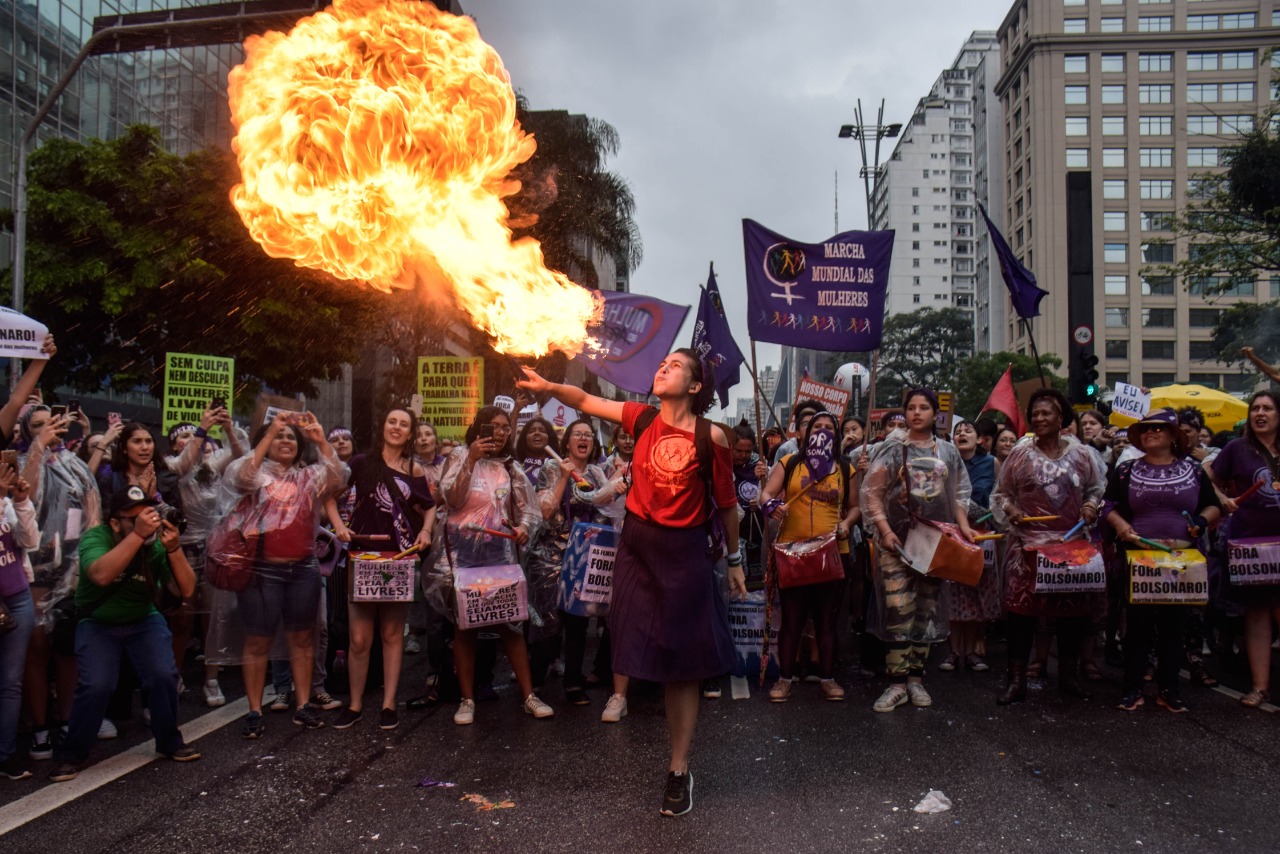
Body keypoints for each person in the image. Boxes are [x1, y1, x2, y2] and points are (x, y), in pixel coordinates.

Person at [517, 349, 746, 818]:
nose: (663, 368)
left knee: (682, 665)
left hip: (685, 550)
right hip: (638, 546)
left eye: (675, 365)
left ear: (696, 386)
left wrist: (737, 559)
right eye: (661, 363)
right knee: (634, 641)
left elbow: (727, 505)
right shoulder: (641, 418)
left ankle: (679, 769)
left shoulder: (713, 436)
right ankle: (621, 697)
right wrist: (549, 388)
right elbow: (584, 397)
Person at [49, 486, 200, 782]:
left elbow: (187, 589)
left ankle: (169, 741)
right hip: (98, 622)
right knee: (96, 685)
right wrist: (137, 536)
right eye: (134, 518)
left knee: (162, 675)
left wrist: (173, 549)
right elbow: (101, 575)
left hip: (143, 619)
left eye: (148, 514)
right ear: (115, 523)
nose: (146, 522)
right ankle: (72, 753)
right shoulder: (97, 538)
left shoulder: (154, 545)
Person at [225, 413, 348, 738]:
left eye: (291, 437)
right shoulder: (256, 475)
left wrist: (321, 439)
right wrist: (268, 434)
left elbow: (339, 477)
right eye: (278, 436)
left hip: (302, 570)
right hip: (261, 571)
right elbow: (240, 476)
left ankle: (303, 705)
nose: (284, 441)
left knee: (303, 637)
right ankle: (253, 710)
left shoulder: (309, 476)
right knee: (258, 640)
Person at [430, 406, 549, 725]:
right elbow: (450, 499)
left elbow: (531, 510)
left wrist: (524, 527)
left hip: (500, 554)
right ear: (477, 428)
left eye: (503, 428)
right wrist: (469, 458)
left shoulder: (510, 467)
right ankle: (466, 700)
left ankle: (528, 696)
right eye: (492, 426)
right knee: (464, 627)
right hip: (463, 554)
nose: (498, 433)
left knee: (510, 626)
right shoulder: (457, 455)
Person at [860, 389, 974, 712]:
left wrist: (962, 524)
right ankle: (896, 684)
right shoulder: (893, 449)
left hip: (935, 544)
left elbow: (961, 492)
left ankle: (916, 681)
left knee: (924, 612)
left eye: (924, 407)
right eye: (911, 407)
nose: (917, 413)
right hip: (896, 541)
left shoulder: (949, 452)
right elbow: (872, 494)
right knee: (898, 611)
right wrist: (883, 530)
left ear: (935, 414)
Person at [990, 388, 1105, 705]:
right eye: (1035, 413)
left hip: (1070, 548)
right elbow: (1002, 495)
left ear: (1061, 418)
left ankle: (1069, 676)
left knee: (1072, 616)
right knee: (1021, 616)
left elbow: (1095, 489)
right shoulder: (1021, 454)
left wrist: (1091, 507)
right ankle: (1016, 680)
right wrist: (1012, 512)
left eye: (1046, 413)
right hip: (1027, 547)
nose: (1039, 418)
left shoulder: (1082, 455)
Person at [1105, 408, 1221, 713]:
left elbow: (1213, 506)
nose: (1150, 434)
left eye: (1158, 429)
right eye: (1145, 430)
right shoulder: (1126, 470)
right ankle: (1132, 689)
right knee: (1138, 627)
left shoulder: (1194, 470)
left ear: (1173, 436)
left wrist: (1200, 521)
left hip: (1181, 558)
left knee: (1174, 627)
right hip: (1140, 557)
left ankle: (1170, 690)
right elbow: (1108, 505)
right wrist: (1121, 526)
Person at [331, 408, 434, 732]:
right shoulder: (361, 463)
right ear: (383, 426)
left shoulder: (413, 467)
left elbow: (429, 506)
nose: (397, 427)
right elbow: (329, 496)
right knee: (359, 639)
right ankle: (355, 704)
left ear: (410, 433)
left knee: (392, 634)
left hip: (398, 557)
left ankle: (389, 704)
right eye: (392, 421)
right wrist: (339, 527)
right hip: (363, 556)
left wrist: (426, 532)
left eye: (404, 424)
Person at [18, 405, 101, 759]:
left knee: (67, 648)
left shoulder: (77, 465)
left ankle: (67, 720)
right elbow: (27, 497)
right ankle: (40, 727)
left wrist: (90, 560)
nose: (46, 430)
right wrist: (38, 448)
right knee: (36, 649)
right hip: (34, 568)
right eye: (36, 425)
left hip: (72, 567)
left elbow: (93, 511)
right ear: (25, 431)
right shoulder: (19, 463)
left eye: (50, 423)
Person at [759, 411, 857, 702]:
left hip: (832, 553)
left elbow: (856, 507)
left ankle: (827, 678)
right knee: (792, 620)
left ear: (836, 436)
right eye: (817, 426)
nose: (822, 431)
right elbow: (765, 495)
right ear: (803, 433)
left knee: (827, 620)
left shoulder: (844, 468)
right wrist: (773, 504)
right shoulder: (789, 463)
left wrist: (847, 524)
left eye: (829, 428)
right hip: (793, 554)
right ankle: (784, 680)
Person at [527, 419, 619, 705]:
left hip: (584, 557)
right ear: (567, 442)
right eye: (577, 434)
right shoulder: (550, 469)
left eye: (588, 435)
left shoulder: (596, 472)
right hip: (551, 556)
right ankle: (535, 683)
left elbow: (608, 504)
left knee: (580, 621)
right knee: (550, 624)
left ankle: (573, 683)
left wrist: (621, 481)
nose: (583, 439)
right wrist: (565, 477)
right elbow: (543, 510)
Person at [169, 406, 248, 708]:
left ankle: (211, 679)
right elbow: (184, 462)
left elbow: (241, 455)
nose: (191, 439)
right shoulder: (173, 465)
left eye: (194, 434)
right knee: (183, 617)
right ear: (175, 444)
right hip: (184, 548)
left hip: (214, 547)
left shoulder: (213, 464)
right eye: (183, 436)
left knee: (215, 617)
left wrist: (228, 428)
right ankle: (174, 675)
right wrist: (201, 429)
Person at [1207, 390, 1280, 708]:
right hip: (1252, 546)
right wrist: (1222, 500)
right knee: (1257, 615)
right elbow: (1206, 475)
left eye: (1268, 408)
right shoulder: (1237, 448)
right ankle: (1260, 687)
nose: (1260, 413)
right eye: (1255, 409)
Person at [941, 420, 1000, 672]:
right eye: (958, 431)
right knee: (953, 593)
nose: (962, 433)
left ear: (980, 439)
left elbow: (1000, 497)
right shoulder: (946, 463)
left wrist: (989, 516)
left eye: (968, 430)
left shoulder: (992, 464)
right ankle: (953, 652)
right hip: (952, 533)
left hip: (982, 533)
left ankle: (973, 651)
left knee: (977, 592)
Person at [0, 463, 38, 780]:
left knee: (11, 682)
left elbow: (30, 540)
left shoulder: (6, 500)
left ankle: (5, 755)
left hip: (17, 596)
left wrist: (22, 501)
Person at [516, 417, 558, 482]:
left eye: (542, 431)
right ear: (524, 439)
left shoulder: (559, 466)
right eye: (531, 431)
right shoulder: (516, 467)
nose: (537, 433)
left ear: (550, 437)